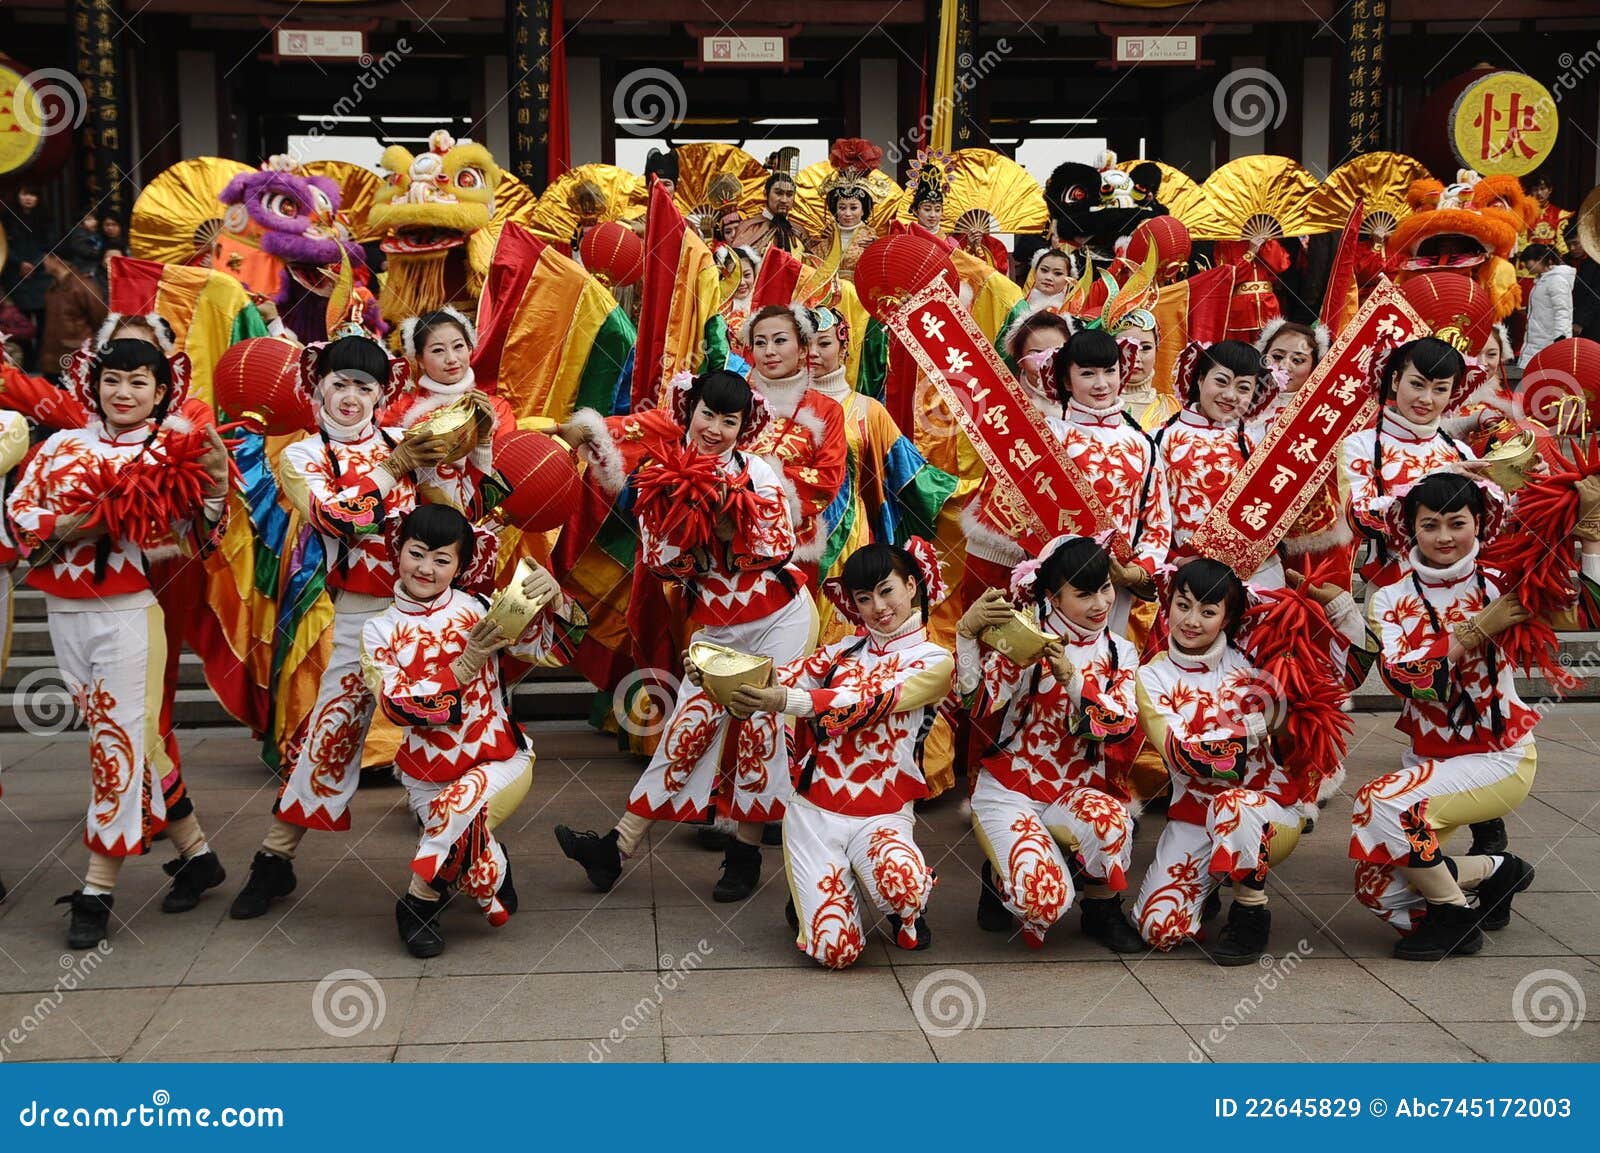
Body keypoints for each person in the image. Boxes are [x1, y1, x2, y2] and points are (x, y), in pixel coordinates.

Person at [553, 370, 817, 901]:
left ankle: (743, 856)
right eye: (707, 414)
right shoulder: (658, 476)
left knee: (762, 730)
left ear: (744, 427)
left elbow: (780, 546)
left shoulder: (759, 472)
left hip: (780, 620)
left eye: (729, 420)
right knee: (687, 728)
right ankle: (616, 848)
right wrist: (685, 532)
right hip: (718, 628)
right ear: (689, 410)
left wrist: (729, 524)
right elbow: (660, 564)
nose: (715, 428)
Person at [7, 338, 232, 947]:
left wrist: (215, 490)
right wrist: (76, 523)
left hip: (128, 616)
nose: (123, 393)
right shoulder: (60, 445)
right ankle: (198, 856)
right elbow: (19, 514)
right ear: (93, 385)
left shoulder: (170, 450)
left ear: (161, 393)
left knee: (114, 746)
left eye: (138, 382)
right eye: (112, 380)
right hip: (63, 614)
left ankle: (96, 892)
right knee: (138, 741)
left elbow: (197, 537)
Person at [228, 331, 456, 919]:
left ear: (383, 393)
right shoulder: (301, 457)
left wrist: (469, 452)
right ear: (319, 386)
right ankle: (274, 859)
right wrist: (394, 469)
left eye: (365, 386)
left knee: (445, 734)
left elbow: (454, 518)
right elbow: (337, 518)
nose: (351, 396)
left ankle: (458, 862)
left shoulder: (409, 442)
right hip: (358, 614)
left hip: (429, 616)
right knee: (331, 733)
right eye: (340, 383)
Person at [361, 504, 580, 956]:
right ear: (397, 551)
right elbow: (396, 706)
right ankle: (490, 861)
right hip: (426, 774)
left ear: (460, 566)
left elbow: (556, 651)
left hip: (500, 758)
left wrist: (556, 599)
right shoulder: (377, 631)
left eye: (442, 559)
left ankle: (418, 904)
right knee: (457, 829)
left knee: (455, 815)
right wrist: (462, 668)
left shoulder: (481, 607)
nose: (426, 568)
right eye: (416, 553)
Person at [1132, 557, 1369, 963]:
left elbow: (1338, 675)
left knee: (1233, 805)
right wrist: (1261, 724)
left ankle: (1250, 911)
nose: (1191, 621)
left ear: (1227, 618)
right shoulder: (1151, 676)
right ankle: (1210, 882)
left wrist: (1341, 609)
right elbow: (1184, 753)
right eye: (1183, 606)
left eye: (1208, 611)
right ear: (1167, 605)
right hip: (1194, 815)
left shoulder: (1253, 655)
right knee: (1159, 929)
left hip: (1268, 810)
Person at [732, 540, 951, 969]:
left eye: (886, 591)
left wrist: (788, 701)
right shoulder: (842, 652)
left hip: (883, 812)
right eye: (864, 598)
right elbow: (776, 676)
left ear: (911, 586)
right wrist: (717, 670)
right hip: (816, 811)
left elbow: (867, 701)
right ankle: (812, 894)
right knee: (837, 953)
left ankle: (903, 911)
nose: (878, 608)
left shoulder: (934, 661)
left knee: (905, 885)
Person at [1355, 472, 1544, 959]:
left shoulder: (1503, 582)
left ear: (1479, 523)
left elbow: (1579, 606)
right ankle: (1496, 871)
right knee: (1378, 890)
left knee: (1380, 804)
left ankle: (1454, 919)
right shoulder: (1388, 598)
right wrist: (1473, 631)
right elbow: (1404, 678)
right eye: (1430, 525)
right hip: (1430, 761)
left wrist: (1589, 539)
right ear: (1410, 529)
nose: (1444, 537)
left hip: (1500, 758)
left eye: (1457, 523)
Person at [956, 535, 1144, 952]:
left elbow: (1121, 726)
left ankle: (1101, 908)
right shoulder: (1024, 636)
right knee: (1043, 902)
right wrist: (966, 635)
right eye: (1084, 594)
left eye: (1105, 588)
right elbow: (979, 702)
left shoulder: (1121, 652)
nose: (1101, 603)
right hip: (1011, 787)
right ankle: (998, 876)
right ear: (1053, 597)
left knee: (1112, 823)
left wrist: (1073, 681)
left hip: (1078, 788)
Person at [963, 328, 1169, 635]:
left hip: (1115, 586)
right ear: (1067, 380)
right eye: (1087, 373)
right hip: (1055, 584)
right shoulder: (1046, 437)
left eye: (1109, 371)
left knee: (1109, 657)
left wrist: (1136, 573)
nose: (1101, 384)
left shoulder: (1143, 444)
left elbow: (1157, 522)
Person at [1152, 340, 1284, 586]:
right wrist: (1175, 560)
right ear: (1200, 379)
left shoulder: (1262, 440)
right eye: (1221, 381)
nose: (1230, 395)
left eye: (1243, 388)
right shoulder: (1159, 439)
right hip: (1184, 572)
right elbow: (1148, 512)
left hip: (1257, 572)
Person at [738, 304, 848, 578]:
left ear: (802, 349)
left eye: (780, 340)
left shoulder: (827, 411)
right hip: (731, 539)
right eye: (760, 343)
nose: (769, 351)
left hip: (795, 547)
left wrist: (765, 479)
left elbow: (828, 478)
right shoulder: (735, 398)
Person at [2, 184, 56, 369]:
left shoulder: (45, 218)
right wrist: (20, 263)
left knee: (43, 322)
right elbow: (4, 245)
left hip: (40, 276)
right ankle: (27, 360)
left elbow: (50, 244)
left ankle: (41, 360)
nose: (28, 198)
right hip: (17, 276)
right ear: (18, 196)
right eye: (25, 194)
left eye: (32, 195)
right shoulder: (7, 218)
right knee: (19, 323)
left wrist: (35, 264)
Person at [38, 249, 108, 383]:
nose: (43, 262)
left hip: (76, 360)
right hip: (52, 362)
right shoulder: (53, 288)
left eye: (46, 258)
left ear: (56, 259)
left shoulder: (83, 286)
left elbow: (101, 321)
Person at [727, 170, 811, 256]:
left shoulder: (799, 231)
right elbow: (736, 260)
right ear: (765, 194)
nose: (784, 200)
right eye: (778, 193)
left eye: (789, 194)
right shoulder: (749, 227)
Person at [1517, 243, 1574, 367]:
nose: (1525, 265)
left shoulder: (1557, 280)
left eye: (1527, 261)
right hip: (1537, 338)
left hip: (1548, 341)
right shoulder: (1542, 280)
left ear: (1539, 260)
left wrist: (1561, 340)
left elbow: (1563, 311)